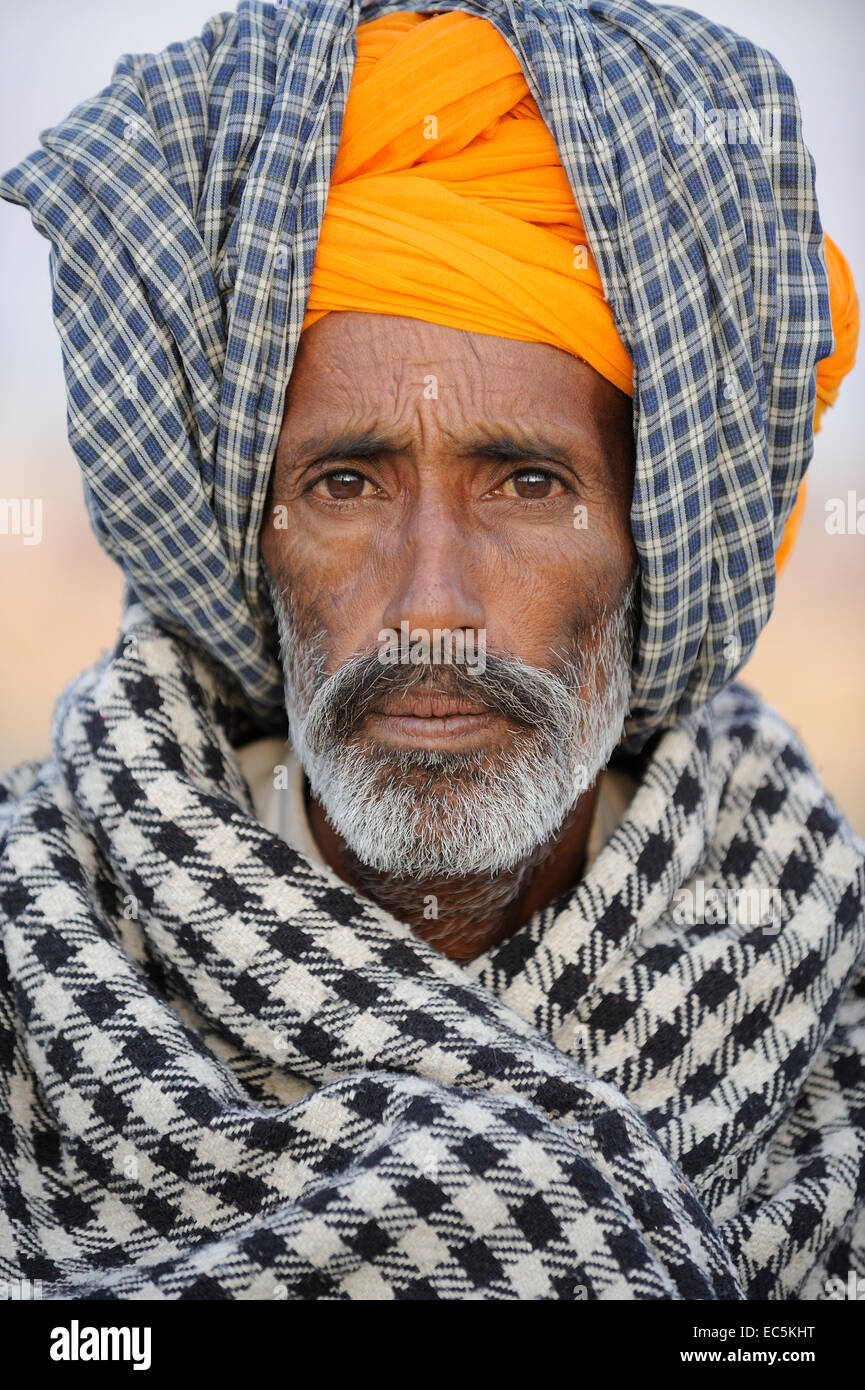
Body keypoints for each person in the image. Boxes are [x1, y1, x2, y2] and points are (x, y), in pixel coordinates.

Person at [0, 0, 861, 1301]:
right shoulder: (36, 959)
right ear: (252, 533)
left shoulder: (829, 1027)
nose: (430, 605)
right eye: (346, 484)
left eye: (524, 483)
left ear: (653, 535)